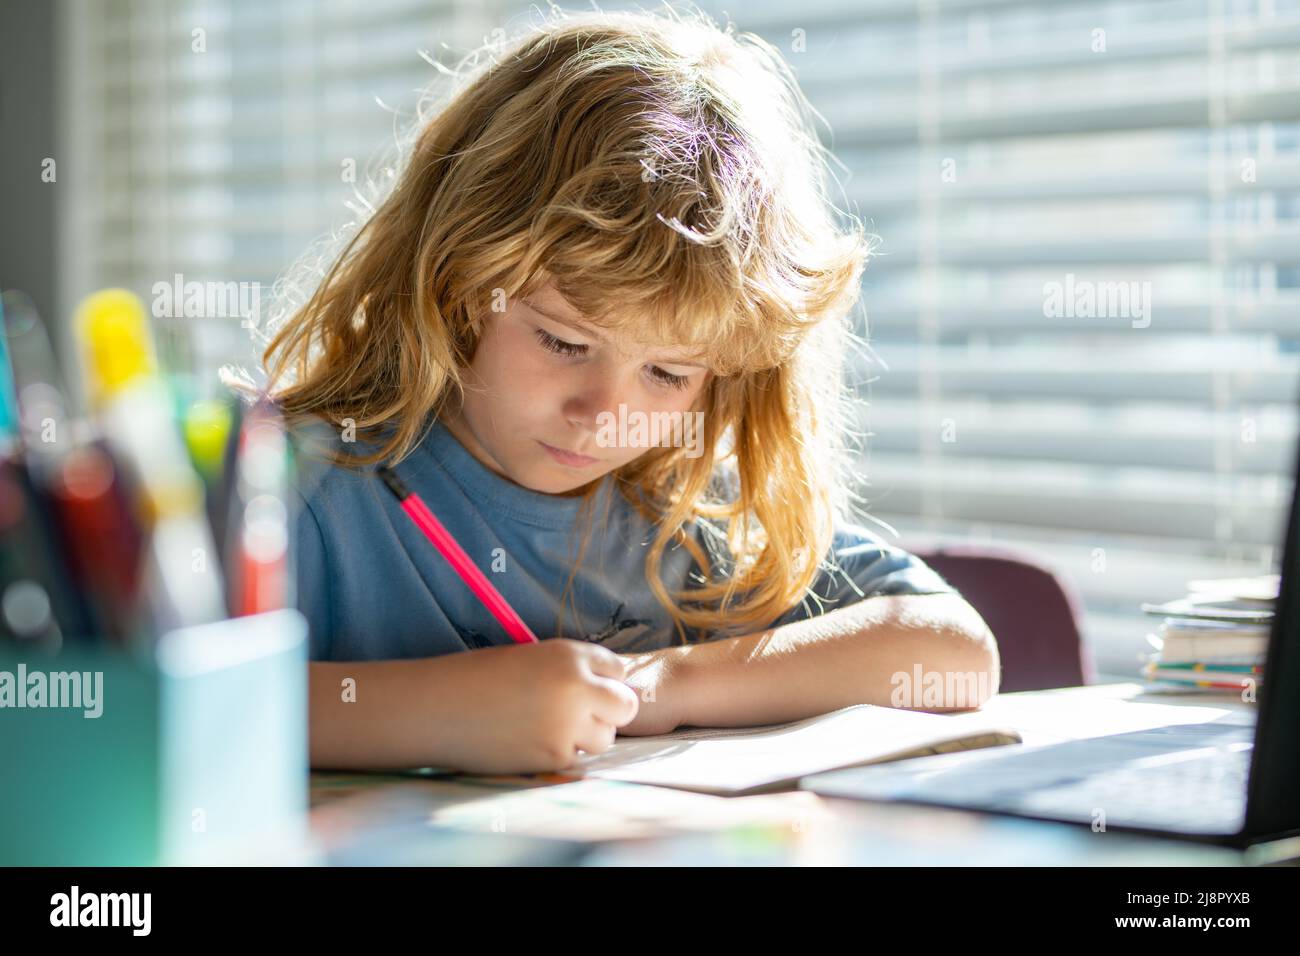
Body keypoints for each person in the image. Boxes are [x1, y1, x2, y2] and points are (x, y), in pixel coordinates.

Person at [227, 6, 1000, 774]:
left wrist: (665, 683)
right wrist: (444, 710)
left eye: (668, 372)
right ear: (456, 284)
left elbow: (956, 653)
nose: (605, 414)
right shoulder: (303, 489)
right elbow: (137, 711)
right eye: (563, 341)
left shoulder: (683, 524)